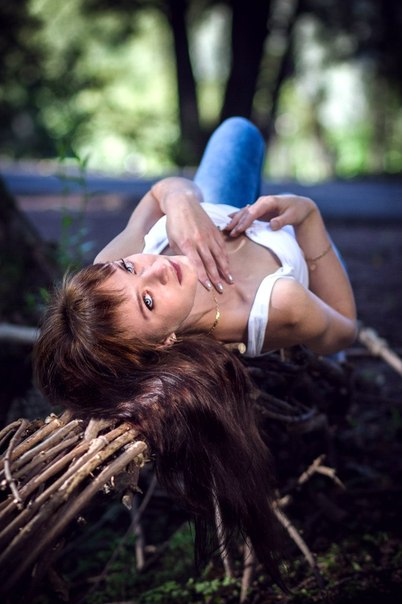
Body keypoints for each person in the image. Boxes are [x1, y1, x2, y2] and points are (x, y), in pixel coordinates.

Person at [33, 117, 357, 587]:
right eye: (148, 302)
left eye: (129, 267)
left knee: (238, 131)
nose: (157, 267)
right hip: (303, 252)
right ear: (165, 342)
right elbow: (343, 330)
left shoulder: (110, 276)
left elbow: (156, 196)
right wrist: (308, 219)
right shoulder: (277, 303)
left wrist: (181, 201)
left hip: (225, 205)